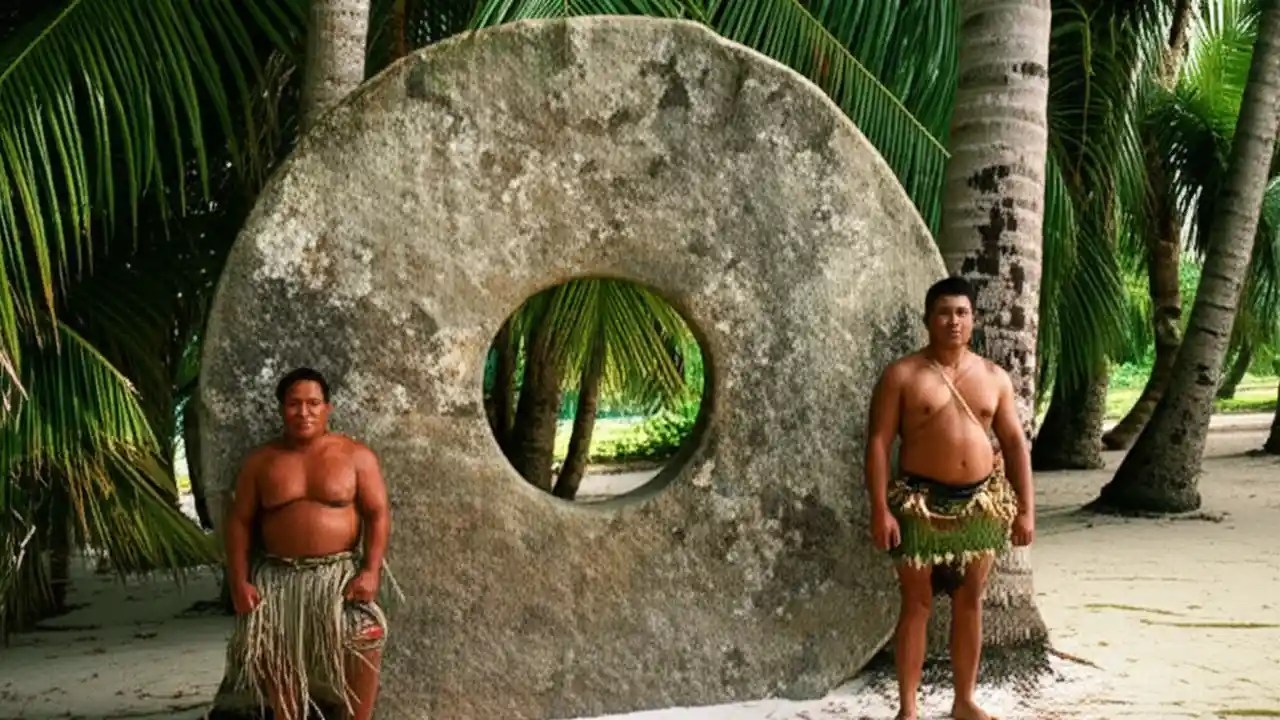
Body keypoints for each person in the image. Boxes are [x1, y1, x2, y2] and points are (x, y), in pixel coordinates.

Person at [864, 276, 1035, 720]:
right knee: (917, 601)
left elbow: (1015, 445)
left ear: (973, 320)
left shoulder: (994, 378)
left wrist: (1026, 511)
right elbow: (879, 443)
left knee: (970, 599)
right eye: (943, 312)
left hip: (979, 504)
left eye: (961, 312)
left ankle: (964, 701)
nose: (953, 321)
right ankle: (908, 709)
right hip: (919, 503)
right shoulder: (902, 375)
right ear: (928, 319)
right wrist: (880, 509)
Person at [222, 367, 392, 720]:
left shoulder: (356, 456)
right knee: (274, 651)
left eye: (313, 403)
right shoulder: (261, 462)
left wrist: (371, 571)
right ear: (281, 409)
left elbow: (378, 514)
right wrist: (239, 582)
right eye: (294, 404)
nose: (304, 412)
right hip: (278, 580)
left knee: (366, 637)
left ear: (327, 408)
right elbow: (239, 522)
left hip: (339, 579)